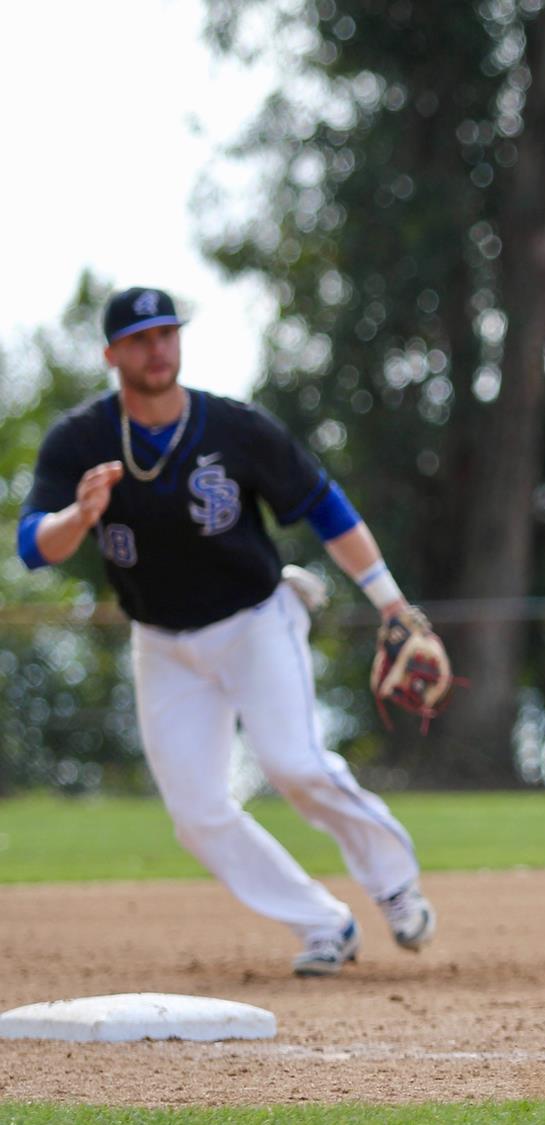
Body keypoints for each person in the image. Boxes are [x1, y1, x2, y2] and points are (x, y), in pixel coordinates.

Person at [15, 286, 438, 977]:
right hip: (162, 643)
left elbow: (325, 507)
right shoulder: (81, 440)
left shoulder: (235, 427)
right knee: (197, 813)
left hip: (253, 621)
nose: (157, 348)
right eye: (140, 339)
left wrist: (391, 603)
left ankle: (395, 886)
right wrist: (79, 517)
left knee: (296, 765)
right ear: (112, 354)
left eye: (166, 333)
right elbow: (34, 547)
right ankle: (323, 923)